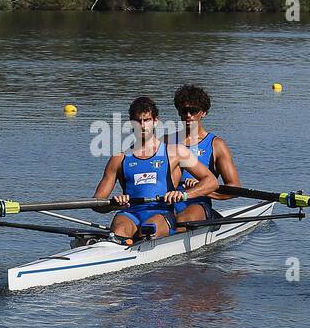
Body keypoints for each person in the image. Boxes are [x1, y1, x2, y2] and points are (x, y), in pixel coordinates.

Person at [93, 95, 218, 241]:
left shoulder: (175, 152)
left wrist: (184, 195)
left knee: (149, 228)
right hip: (129, 213)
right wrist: (113, 204)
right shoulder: (119, 158)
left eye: (146, 120)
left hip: (161, 213)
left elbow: (211, 182)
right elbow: (97, 202)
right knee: (119, 229)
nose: (143, 125)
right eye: (138, 121)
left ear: (155, 121)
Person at [169, 84, 241, 229]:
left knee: (182, 219)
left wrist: (202, 188)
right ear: (178, 112)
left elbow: (235, 188)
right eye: (184, 110)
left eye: (193, 111)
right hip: (168, 203)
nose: (188, 115)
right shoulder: (166, 142)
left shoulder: (217, 145)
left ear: (203, 113)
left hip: (198, 206)